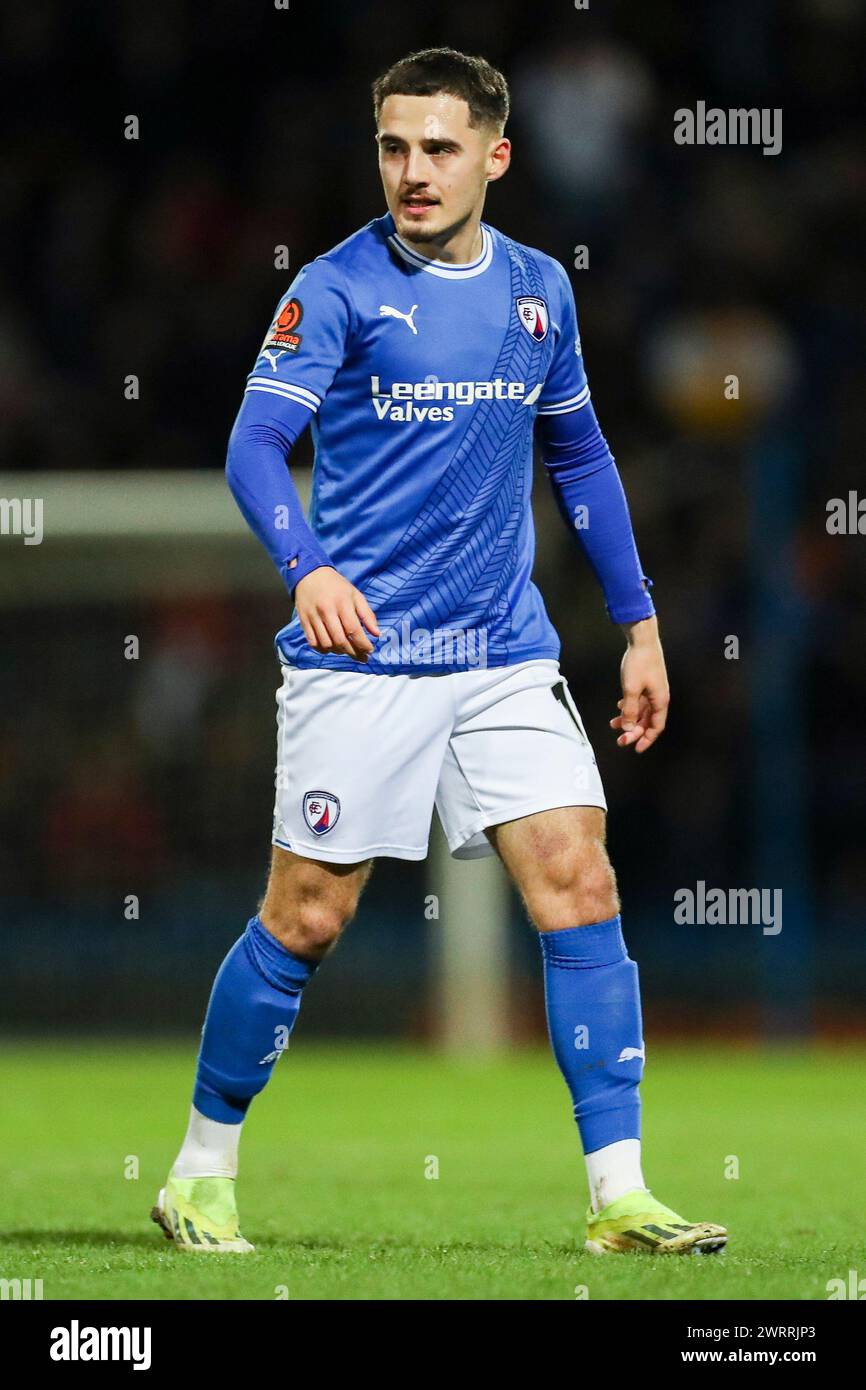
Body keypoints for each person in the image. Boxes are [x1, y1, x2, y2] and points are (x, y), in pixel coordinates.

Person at [152, 47, 726, 1257]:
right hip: (361, 659)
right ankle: (201, 1170)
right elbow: (255, 449)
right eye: (393, 147)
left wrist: (639, 626)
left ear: (494, 157)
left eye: (439, 148)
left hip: (502, 652)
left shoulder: (537, 293)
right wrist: (305, 566)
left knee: (580, 881)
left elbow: (578, 457)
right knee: (306, 916)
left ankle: (617, 1193)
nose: (412, 172)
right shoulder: (334, 287)